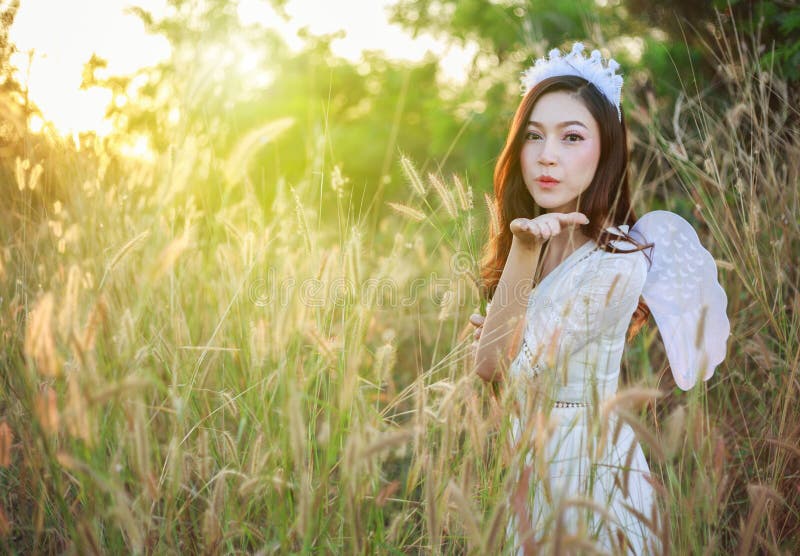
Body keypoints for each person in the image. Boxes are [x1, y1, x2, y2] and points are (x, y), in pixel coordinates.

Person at [469, 43, 730, 554]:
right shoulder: (534, 248)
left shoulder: (620, 263)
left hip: (587, 471)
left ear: (605, 150)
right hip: (529, 462)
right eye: (534, 136)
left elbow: (495, 366)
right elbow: (504, 388)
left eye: (571, 138)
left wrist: (520, 261)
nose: (548, 155)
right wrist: (522, 262)